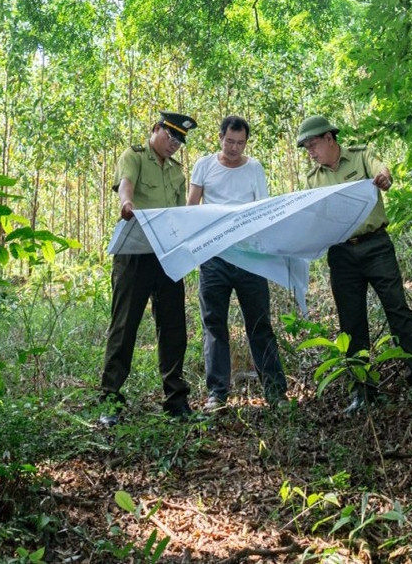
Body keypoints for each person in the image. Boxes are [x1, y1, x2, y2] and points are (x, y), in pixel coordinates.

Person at [296, 114, 412, 413]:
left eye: (313, 144)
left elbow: (382, 172)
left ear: (329, 138)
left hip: (376, 247)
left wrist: (384, 178)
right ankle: (362, 391)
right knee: (351, 323)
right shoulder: (313, 179)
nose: (310, 152)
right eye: (305, 147)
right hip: (341, 255)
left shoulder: (361, 156)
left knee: (397, 310)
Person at [97, 110, 199, 424]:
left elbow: (182, 213)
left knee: (173, 327)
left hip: (167, 254)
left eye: (180, 141)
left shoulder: (178, 172)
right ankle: (110, 401)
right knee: (124, 326)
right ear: (155, 129)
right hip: (135, 255)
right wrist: (125, 204)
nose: (174, 145)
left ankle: (176, 401)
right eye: (170, 137)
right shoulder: (135, 156)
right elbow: (126, 186)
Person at [188, 115, 287, 410]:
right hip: (214, 258)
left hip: (250, 258)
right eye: (229, 141)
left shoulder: (254, 168)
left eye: (240, 143)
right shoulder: (203, 165)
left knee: (259, 324)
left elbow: (263, 211)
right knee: (214, 324)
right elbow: (192, 209)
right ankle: (217, 393)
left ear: (246, 142)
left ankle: (275, 392)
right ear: (220, 137)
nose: (234, 148)